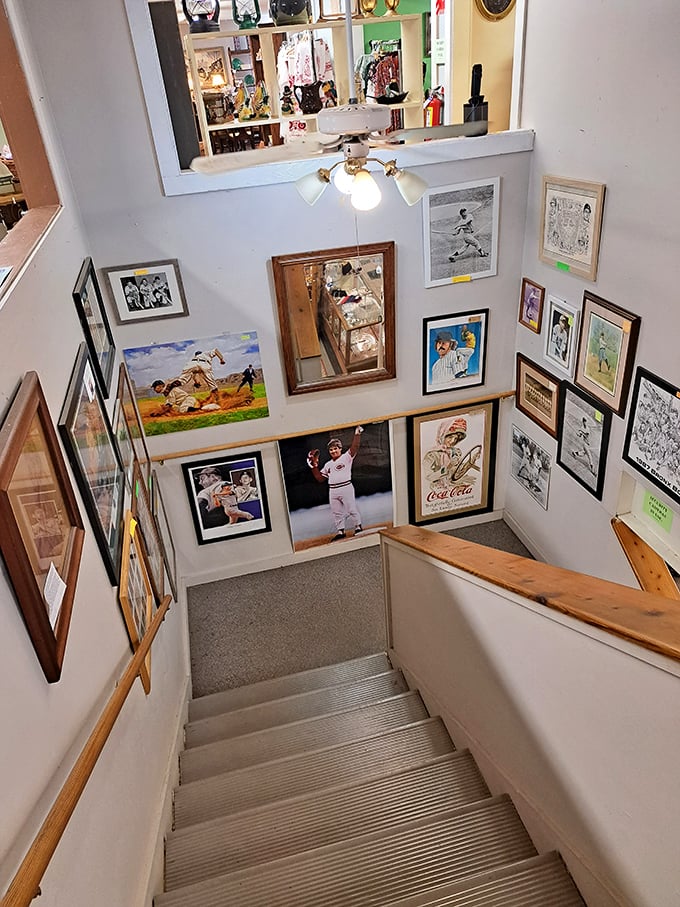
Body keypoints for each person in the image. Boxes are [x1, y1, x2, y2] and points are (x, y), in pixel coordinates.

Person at [306, 426, 363, 541]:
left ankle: (358, 526)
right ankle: (341, 531)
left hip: (346, 487)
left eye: (335, 448)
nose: (333, 451)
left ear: (340, 448)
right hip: (333, 490)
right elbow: (320, 478)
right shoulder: (328, 464)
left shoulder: (346, 457)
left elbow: (355, 446)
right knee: (336, 512)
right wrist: (313, 466)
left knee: (351, 508)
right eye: (331, 449)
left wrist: (357, 434)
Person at [423, 416, 470, 491]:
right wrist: (447, 468)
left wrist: (470, 462)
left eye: (455, 439)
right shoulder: (432, 454)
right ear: (442, 435)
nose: (452, 441)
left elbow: (458, 470)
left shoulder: (456, 452)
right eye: (450, 437)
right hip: (437, 488)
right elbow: (428, 477)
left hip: (453, 485)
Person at [149, 379, 220, 415]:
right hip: (184, 401)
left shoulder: (169, 391)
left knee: (183, 410)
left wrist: (159, 413)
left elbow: (170, 404)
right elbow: (168, 403)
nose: (154, 389)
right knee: (176, 410)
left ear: (160, 386)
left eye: (155, 387)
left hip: (187, 400)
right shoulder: (166, 391)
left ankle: (205, 408)